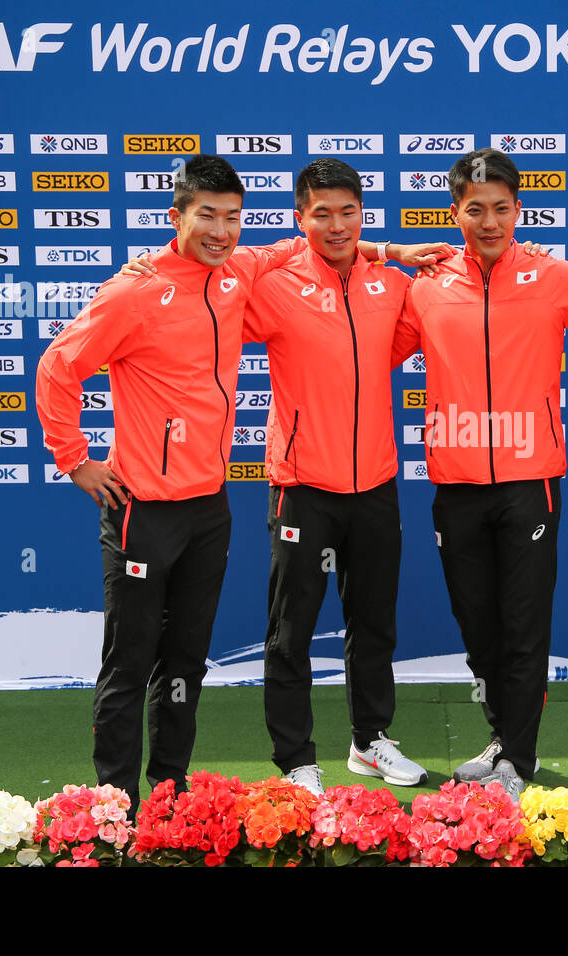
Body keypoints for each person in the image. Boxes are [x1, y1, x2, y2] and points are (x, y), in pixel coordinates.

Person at [118, 158, 456, 796]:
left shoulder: (391, 282)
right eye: (320, 214)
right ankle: (296, 757)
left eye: (348, 212)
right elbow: (197, 296)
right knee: (290, 633)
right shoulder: (269, 280)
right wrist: (150, 267)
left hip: (377, 482)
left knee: (373, 623)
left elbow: (401, 342)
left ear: (363, 214)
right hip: (301, 484)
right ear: (299, 220)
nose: (336, 225)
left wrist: (391, 251)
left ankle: (369, 742)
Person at [36, 154, 292, 812]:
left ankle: (170, 793)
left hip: (209, 507)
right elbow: (58, 368)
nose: (221, 230)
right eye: (206, 215)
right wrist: (76, 459)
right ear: (175, 215)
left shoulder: (237, 270)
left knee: (187, 660)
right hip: (142, 508)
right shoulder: (136, 290)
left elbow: (295, 245)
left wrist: (386, 246)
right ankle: (115, 802)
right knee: (131, 660)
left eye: (233, 218)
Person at [392, 148, 568, 798]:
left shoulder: (553, 277)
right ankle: (502, 738)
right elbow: (365, 342)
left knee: (523, 623)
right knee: (478, 623)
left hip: (529, 482)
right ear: (454, 211)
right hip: (455, 485)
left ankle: (518, 758)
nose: (489, 220)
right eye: (475, 209)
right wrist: (379, 254)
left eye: (501, 208)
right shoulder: (425, 286)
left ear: (519, 210)